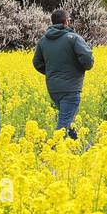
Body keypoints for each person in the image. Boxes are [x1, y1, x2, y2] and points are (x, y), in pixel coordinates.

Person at [33, 8, 94, 140]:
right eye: (69, 20)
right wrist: (79, 68)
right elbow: (88, 59)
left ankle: (78, 145)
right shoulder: (73, 38)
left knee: (67, 118)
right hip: (70, 88)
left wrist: (51, 72)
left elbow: (37, 63)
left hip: (53, 89)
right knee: (63, 124)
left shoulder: (43, 40)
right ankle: (53, 151)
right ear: (66, 22)